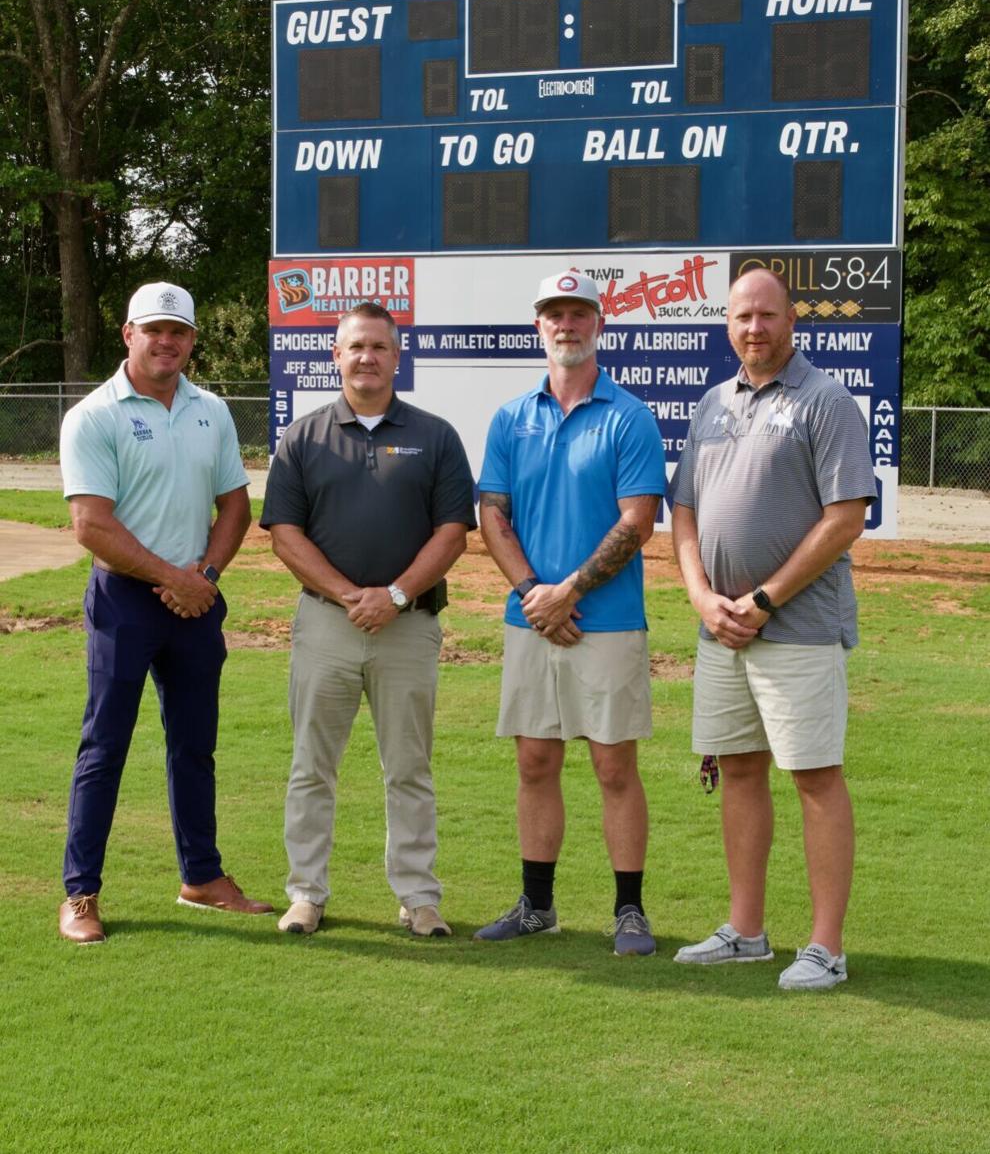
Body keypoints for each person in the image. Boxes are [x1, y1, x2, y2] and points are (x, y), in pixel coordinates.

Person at [669, 267, 877, 990]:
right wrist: (702, 596)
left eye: (766, 315)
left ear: (793, 320)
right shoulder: (710, 404)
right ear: (726, 324)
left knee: (815, 776)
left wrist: (762, 598)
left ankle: (826, 947)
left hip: (798, 628)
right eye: (740, 317)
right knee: (739, 770)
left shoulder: (826, 401)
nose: (753, 328)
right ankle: (747, 931)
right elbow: (686, 513)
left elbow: (845, 517)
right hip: (719, 629)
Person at [58, 281, 271, 944]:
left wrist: (202, 577)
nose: (166, 341)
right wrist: (171, 578)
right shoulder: (94, 415)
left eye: (178, 331)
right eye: (154, 329)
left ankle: (201, 877)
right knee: (105, 745)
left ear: (191, 341)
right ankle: (80, 893)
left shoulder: (212, 410)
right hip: (126, 600)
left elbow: (235, 505)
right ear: (128, 334)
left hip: (196, 602)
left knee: (194, 745)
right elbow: (91, 523)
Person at [261, 302, 476, 937]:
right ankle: (306, 893)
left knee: (408, 767)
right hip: (327, 623)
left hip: (407, 627)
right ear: (336, 355)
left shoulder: (435, 435)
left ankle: (418, 897)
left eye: (379, 347)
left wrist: (398, 596)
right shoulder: (303, 436)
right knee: (311, 766)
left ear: (396, 355)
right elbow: (283, 534)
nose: (366, 357)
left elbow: (453, 532)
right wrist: (352, 594)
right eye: (355, 346)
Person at [474, 270, 666, 956]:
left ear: (598, 324)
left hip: (606, 620)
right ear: (538, 327)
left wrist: (569, 592)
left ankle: (630, 910)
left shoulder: (628, 415)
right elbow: (493, 515)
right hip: (533, 616)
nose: (566, 324)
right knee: (534, 760)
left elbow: (637, 521)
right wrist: (536, 593)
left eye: (578, 313)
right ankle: (538, 904)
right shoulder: (510, 417)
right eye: (554, 314)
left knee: (614, 766)